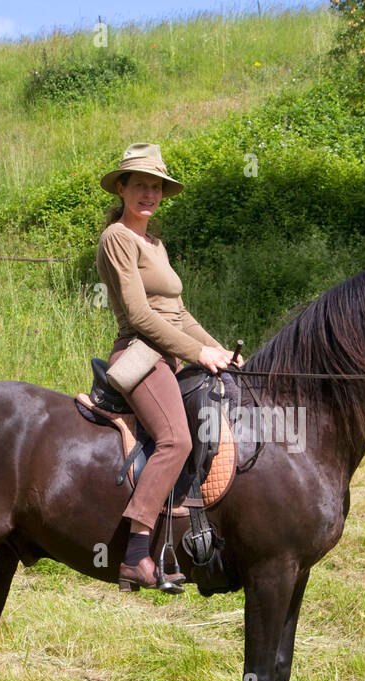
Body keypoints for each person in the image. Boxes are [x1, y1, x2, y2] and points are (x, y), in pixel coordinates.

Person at [95, 143, 241, 591]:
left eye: (156, 187)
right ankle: (135, 554)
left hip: (169, 354)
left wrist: (219, 351)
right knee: (176, 439)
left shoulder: (155, 244)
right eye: (140, 185)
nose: (149, 194)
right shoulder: (117, 237)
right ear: (121, 189)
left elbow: (180, 314)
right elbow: (140, 315)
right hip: (140, 355)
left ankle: (190, 529)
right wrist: (198, 354)